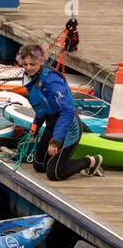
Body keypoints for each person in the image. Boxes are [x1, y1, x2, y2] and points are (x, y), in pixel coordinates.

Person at [15, 43, 104, 180]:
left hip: (68, 126)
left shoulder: (51, 81)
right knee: (39, 165)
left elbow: (67, 111)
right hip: (52, 123)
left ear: (41, 61)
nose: (28, 68)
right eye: (25, 64)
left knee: (55, 174)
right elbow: (41, 108)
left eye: (32, 64)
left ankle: (91, 161)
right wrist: (34, 128)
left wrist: (56, 140)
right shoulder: (30, 78)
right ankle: (63, 162)